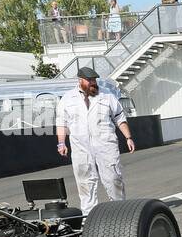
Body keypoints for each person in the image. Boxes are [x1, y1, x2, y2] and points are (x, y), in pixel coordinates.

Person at [55, 68, 134, 216]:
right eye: (89, 80)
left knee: (113, 179)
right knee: (85, 184)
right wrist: (61, 143)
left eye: (94, 80)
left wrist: (128, 137)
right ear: (80, 80)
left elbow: (119, 118)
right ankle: (89, 217)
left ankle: (120, 213)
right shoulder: (67, 98)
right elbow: (61, 123)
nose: (93, 83)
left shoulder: (106, 96)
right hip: (81, 148)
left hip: (106, 144)